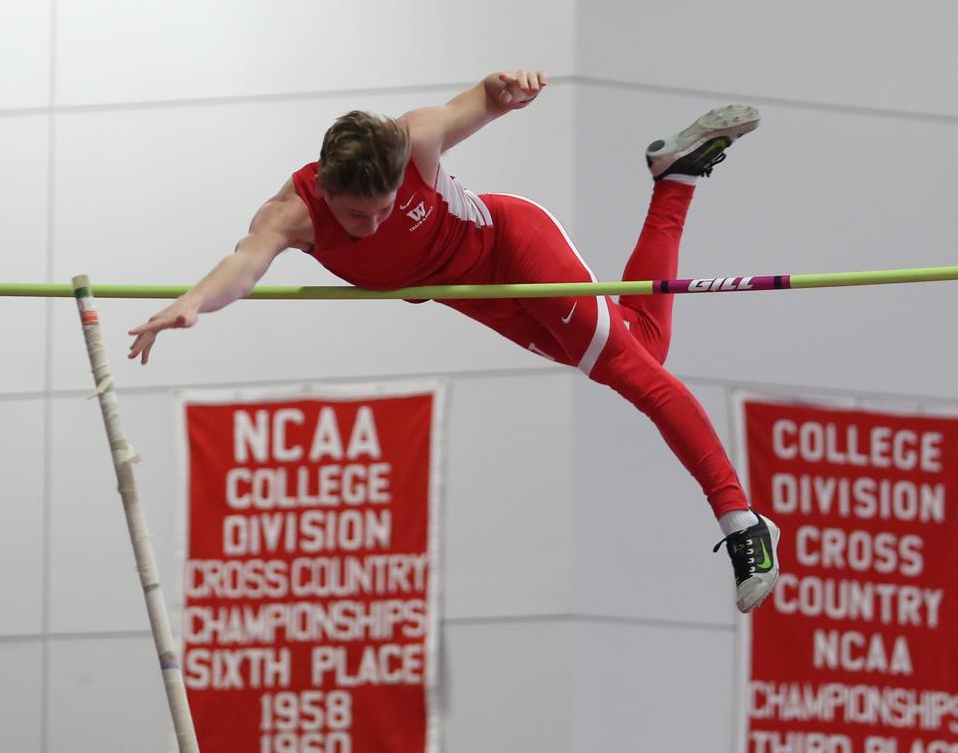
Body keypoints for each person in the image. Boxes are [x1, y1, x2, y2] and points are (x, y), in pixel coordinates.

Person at [128, 70, 782, 611]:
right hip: (473, 295)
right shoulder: (288, 216)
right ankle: (676, 177)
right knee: (642, 349)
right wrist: (194, 301)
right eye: (356, 215)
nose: (372, 224)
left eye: (385, 208)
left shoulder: (414, 139)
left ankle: (740, 520)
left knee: (630, 367)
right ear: (325, 187)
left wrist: (504, 91)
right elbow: (243, 266)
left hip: (514, 247)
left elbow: (481, 102)